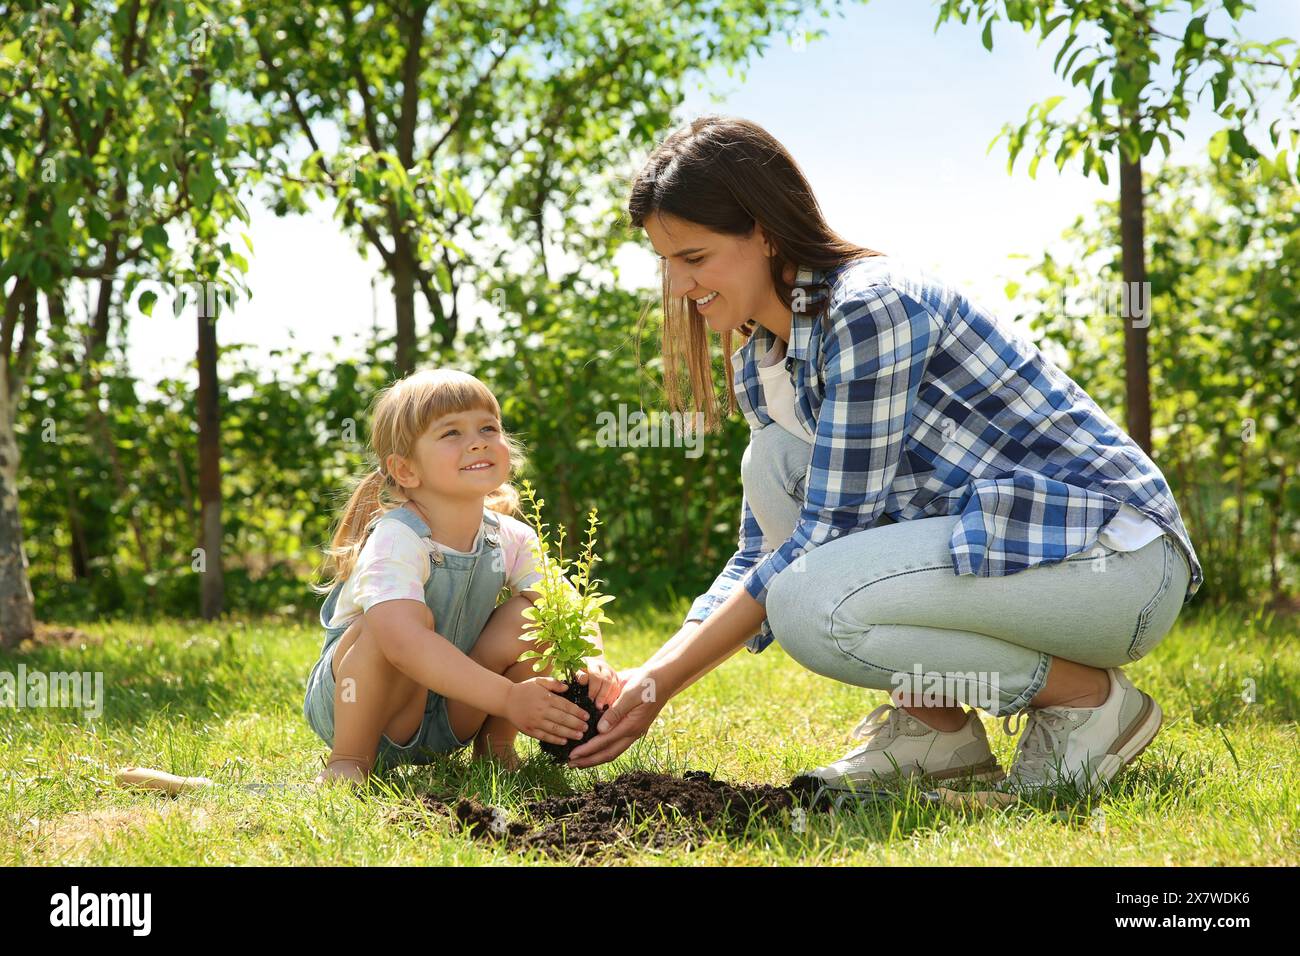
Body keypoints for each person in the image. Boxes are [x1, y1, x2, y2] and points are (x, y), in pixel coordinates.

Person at [568, 115, 1203, 797]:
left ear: (763, 233)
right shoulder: (765, 362)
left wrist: (664, 684)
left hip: (1112, 562)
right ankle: (937, 731)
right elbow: (764, 547)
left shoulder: (871, 307)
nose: (679, 285)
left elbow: (825, 539)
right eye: (667, 262)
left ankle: (1087, 701)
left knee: (810, 603)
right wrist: (649, 672)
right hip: (1005, 556)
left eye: (694, 258)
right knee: (773, 471)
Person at [304, 368, 618, 784]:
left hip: (454, 711)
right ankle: (348, 761)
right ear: (406, 469)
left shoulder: (511, 536)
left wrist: (592, 658)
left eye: (488, 427)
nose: (477, 440)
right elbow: (403, 645)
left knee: (542, 614)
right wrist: (508, 697)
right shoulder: (397, 538)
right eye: (451, 432)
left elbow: (568, 609)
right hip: (371, 712)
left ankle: (495, 749)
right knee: (386, 626)